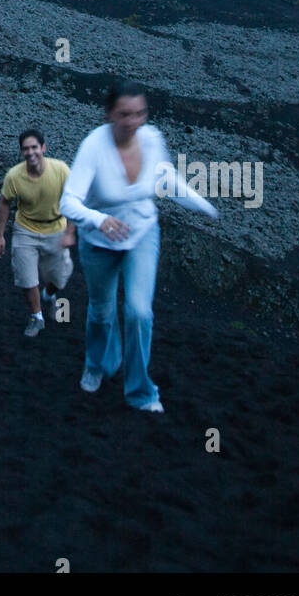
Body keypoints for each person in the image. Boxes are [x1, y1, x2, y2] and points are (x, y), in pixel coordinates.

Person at [59, 80, 218, 413]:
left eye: (140, 113)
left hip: (142, 234)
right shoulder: (94, 147)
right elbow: (68, 201)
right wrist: (98, 220)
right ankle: (97, 364)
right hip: (99, 241)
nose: (132, 121)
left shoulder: (151, 139)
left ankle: (141, 392)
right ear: (109, 115)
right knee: (102, 312)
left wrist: (202, 205)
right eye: (124, 114)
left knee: (139, 311)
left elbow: (166, 179)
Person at [0, 128, 76, 338]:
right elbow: (5, 203)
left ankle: (49, 296)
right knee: (26, 278)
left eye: (34, 147)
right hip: (26, 230)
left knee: (59, 277)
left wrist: (70, 232)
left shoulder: (61, 170)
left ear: (43, 148)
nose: (30, 153)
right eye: (25, 149)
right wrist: (0, 235)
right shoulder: (14, 176)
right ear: (21, 152)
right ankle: (36, 316)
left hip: (56, 228)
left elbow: (73, 201)